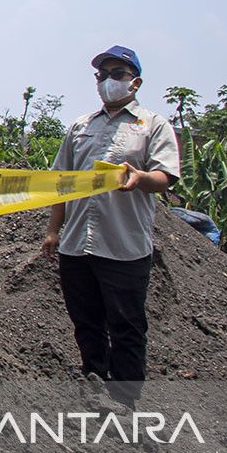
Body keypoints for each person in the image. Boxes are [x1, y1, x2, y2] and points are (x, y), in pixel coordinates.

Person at [41, 45, 180, 407]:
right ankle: (94, 379)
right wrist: (54, 230)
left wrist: (140, 178)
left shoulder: (152, 126)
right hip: (77, 245)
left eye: (117, 74)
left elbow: (165, 177)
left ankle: (125, 397)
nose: (108, 81)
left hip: (123, 245)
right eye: (102, 75)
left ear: (135, 82)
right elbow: (62, 183)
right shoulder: (80, 127)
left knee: (127, 325)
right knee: (86, 320)